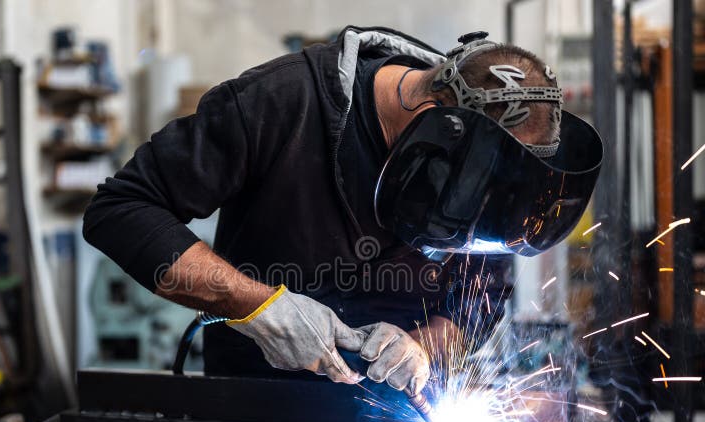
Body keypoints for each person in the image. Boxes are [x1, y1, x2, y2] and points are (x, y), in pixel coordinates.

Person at [82, 27, 601, 402]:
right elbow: (121, 209)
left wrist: (419, 347)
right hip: (253, 414)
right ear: (437, 126)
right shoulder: (284, 103)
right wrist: (260, 308)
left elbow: (477, 301)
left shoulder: (494, 178)